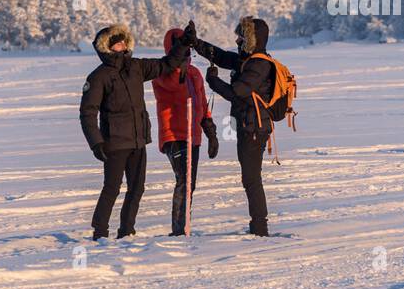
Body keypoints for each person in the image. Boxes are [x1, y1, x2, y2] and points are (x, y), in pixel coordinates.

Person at [79, 21, 194, 240]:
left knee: (137, 188)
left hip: (138, 140)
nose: (121, 45)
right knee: (111, 188)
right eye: (116, 43)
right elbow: (87, 112)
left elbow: (166, 65)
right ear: (106, 47)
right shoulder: (99, 77)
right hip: (114, 142)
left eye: (123, 41)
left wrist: (182, 44)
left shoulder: (136, 67)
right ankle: (100, 230)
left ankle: (126, 230)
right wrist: (96, 142)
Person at [193, 16, 274, 236]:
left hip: (254, 128)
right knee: (249, 177)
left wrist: (212, 81)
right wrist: (196, 42)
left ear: (252, 39)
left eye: (241, 36)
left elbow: (236, 92)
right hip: (247, 125)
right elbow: (220, 56)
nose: (237, 40)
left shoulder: (259, 64)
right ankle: (258, 225)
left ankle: (260, 227)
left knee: (251, 178)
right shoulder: (247, 60)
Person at [152, 27, 220, 235]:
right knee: (184, 181)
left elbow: (201, 103)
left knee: (190, 184)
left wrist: (210, 131)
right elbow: (174, 84)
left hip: (194, 135)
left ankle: (184, 224)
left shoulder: (194, 72)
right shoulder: (162, 71)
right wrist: (178, 55)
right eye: (181, 45)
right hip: (174, 135)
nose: (187, 50)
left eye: (187, 45)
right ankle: (179, 230)